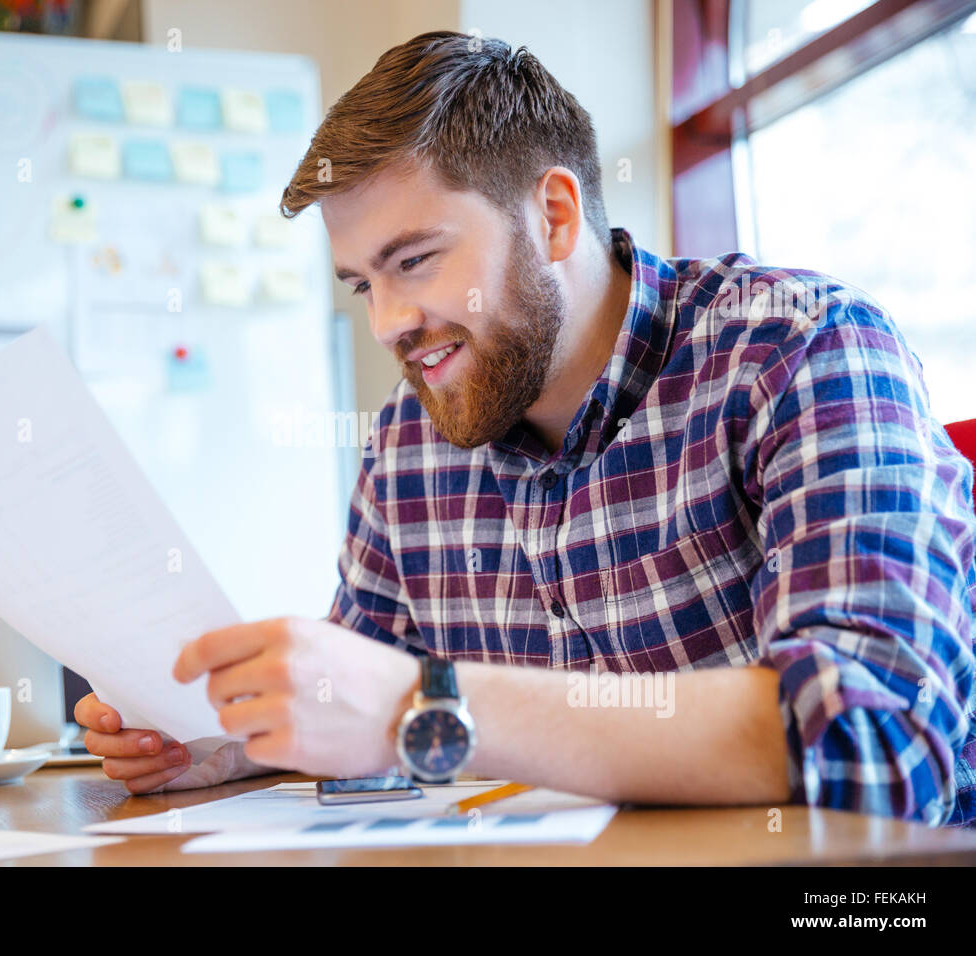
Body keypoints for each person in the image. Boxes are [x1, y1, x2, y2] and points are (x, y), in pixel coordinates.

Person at [75, 31, 976, 827]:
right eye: (362, 284)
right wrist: (228, 741)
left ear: (554, 216)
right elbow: (362, 689)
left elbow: (877, 745)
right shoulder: (410, 439)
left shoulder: (800, 348)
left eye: (414, 260)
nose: (386, 323)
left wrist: (427, 704)